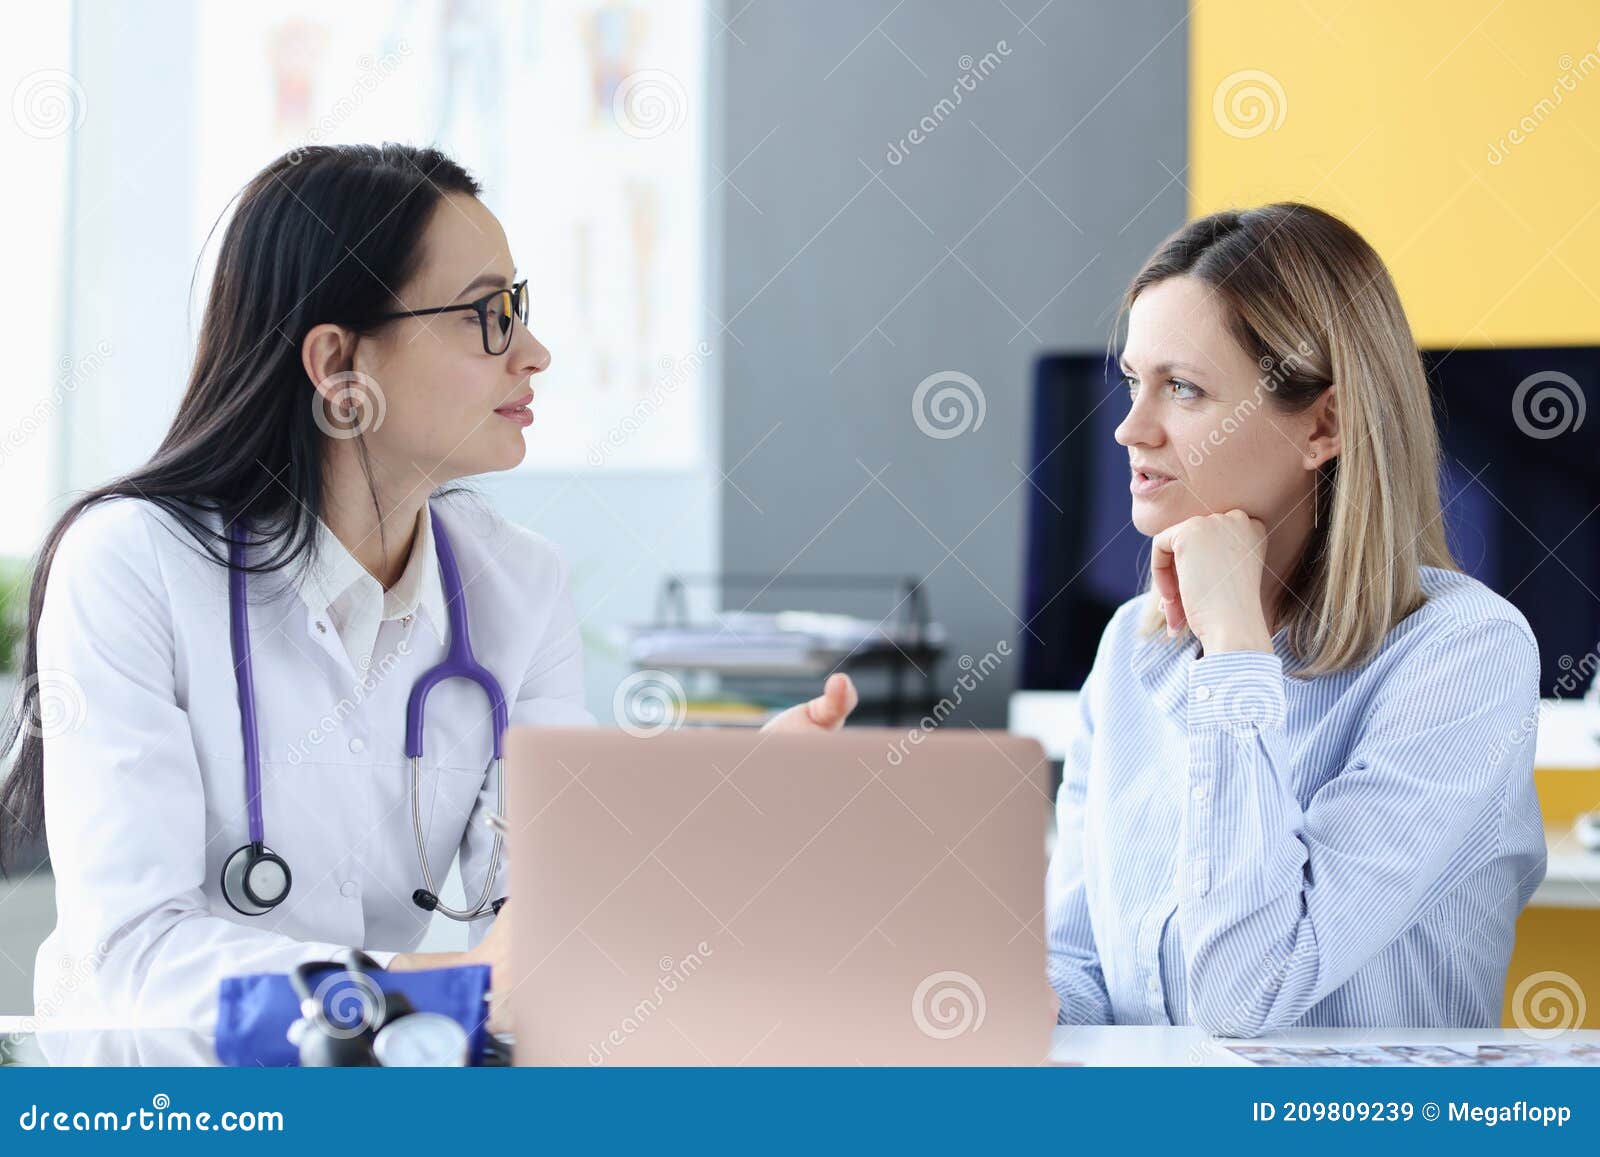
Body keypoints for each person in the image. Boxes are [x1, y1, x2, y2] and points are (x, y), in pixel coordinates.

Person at [0, 143, 857, 1030]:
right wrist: (439, 984)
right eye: (488, 315)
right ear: (339, 367)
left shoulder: (515, 584)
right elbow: (134, 962)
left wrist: (737, 817)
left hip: (394, 1080)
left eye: (518, 310)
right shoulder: (130, 567)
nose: (534, 353)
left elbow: (549, 910)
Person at [1046, 202, 1546, 1035]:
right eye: (1135, 381)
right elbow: (1084, 961)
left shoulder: (1465, 653)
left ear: (1324, 423)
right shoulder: (1131, 648)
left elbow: (1248, 993)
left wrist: (1236, 647)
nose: (1131, 428)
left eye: (1185, 389)